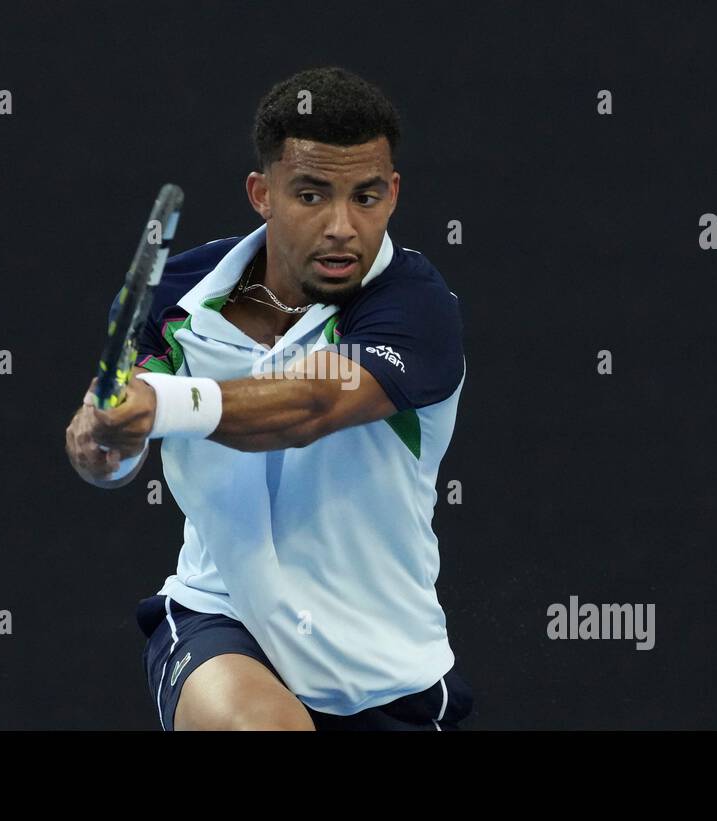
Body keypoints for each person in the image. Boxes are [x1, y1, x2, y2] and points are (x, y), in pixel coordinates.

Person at [65, 66, 472, 730]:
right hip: (220, 620)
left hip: (390, 675)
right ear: (262, 193)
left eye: (365, 197)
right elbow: (113, 447)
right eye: (312, 195)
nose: (342, 226)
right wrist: (100, 443)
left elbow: (312, 405)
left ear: (393, 194)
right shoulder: (179, 297)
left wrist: (163, 403)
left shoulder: (415, 308)